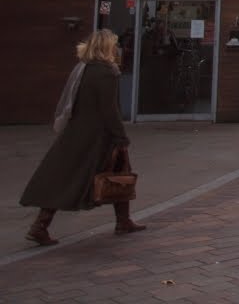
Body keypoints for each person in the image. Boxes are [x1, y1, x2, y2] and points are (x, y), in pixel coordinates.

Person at [20, 29, 146, 245]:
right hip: (98, 136)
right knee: (119, 173)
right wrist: (120, 136)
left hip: (77, 132)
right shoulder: (106, 72)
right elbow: (110, 110)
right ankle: (122, 221)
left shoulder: (83, 69)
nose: (116, 49)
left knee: (65, 176)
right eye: (114, 45)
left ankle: (41, 224)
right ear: (106, 47)